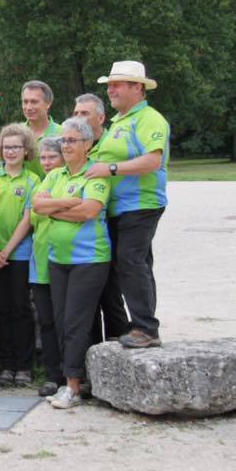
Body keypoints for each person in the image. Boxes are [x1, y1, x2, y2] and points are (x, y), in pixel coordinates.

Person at [85, 61, 169, 349]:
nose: (110, 89)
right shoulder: (119, 122)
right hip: (120, 206)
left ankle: (146, 328)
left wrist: (109, 169)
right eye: (109, 84)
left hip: (140, 203)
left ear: (138, 87)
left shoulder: (148, 119)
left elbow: (153, 160)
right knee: (136, 263)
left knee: (131, 262)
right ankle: (142, 325)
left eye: (117, 84)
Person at [33, 117, 112, 409]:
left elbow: (90, 211)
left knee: (75, 322)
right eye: (63, 140)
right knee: (61, 320)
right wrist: (69, 203)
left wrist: (55, 207)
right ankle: (83, 379)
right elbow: (37, 206)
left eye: (71, 141)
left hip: (89, 259)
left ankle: (73, 387)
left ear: (87, 144)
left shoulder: (95, 175)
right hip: (58, 259)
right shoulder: (55, 176)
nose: (65, 146)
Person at [0, 124, 40, 388]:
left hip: (18, 254)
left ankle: (23, 366)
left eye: (16, 147)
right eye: (6, 147)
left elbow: (27, 219)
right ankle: (7, 365)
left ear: (26, 150)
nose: (10, 152)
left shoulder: (32, 180)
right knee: (2, 310)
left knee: (20, 309)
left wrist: (6, 251)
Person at [75, 92, 129, 342]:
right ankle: (91, 356)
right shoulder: (74, 146)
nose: (79, 117)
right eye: (76, 113)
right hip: (84, 231)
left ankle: (117, 349)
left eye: (85, 113)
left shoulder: (112, 144)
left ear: (101, 117)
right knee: (89, 300)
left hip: (113, 219)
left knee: (112, 292)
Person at [30, 136, 66, 397]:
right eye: (43, 157)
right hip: (39, 262)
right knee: (46, 321)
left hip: (65, 261)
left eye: (52, 157)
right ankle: (53, 375)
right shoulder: (40, 185)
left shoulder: (67, 182)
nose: (47, 162)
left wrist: (49, 206)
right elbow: (33, 215)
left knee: (67, 320)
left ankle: (73, 373)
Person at [21, 81, 61, 177]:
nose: (28, 107)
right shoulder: (14, 134)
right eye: (25, 102)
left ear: (48, 104)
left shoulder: (63, 133)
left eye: (34, 102)